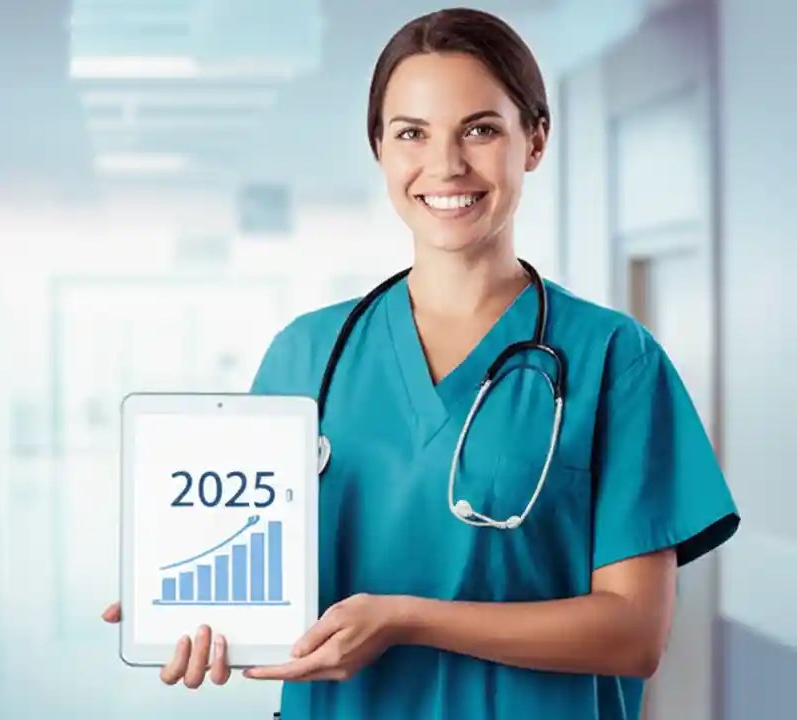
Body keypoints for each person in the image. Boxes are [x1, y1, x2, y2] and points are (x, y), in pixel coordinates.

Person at [102, 6, 739, 719]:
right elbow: (266, 575)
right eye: (412, 133)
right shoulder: (307, 355)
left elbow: (633, 635)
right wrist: (194, 601)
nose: (447, 165)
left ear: (535, 140)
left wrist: (408, 619)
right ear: (379, 148)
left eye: (481, 129)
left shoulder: (614, 359)